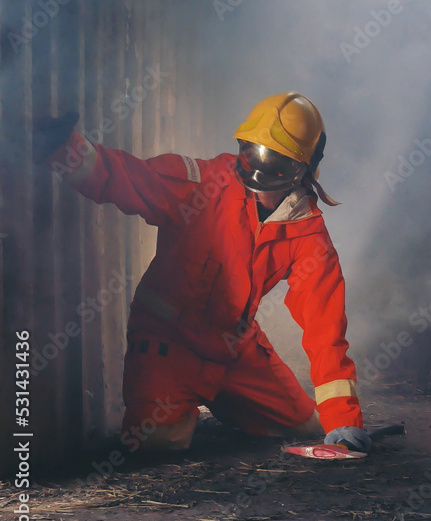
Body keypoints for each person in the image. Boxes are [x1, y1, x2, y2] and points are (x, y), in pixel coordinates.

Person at [34, 93, 371, 453]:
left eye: (273, 166)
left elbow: (326, 330)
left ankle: (219, 400)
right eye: (251, 156)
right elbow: (130, 178)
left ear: (300, 172)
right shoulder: (204, 183)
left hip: (235, 351)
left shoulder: (308, 234)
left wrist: (343, 421)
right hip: (167, 345)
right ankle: (184, 404)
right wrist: (66, 150)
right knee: (154, 443)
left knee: (306, 426)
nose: (257, 176)